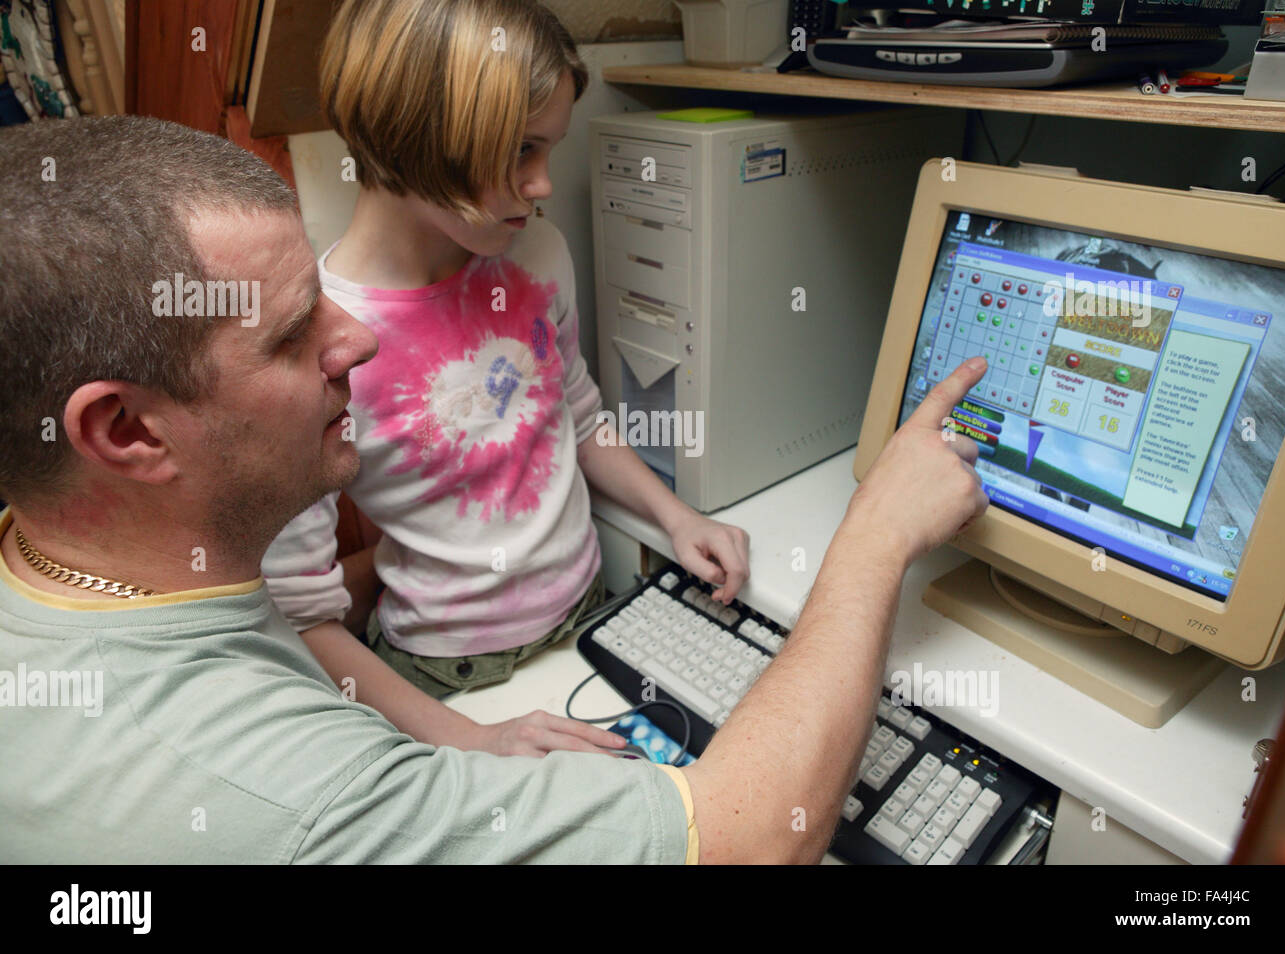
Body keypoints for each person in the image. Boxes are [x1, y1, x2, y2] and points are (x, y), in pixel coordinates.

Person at [0, 114, 988, 863]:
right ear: (123, 431)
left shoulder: (63, 564)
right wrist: (873, 537)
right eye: (297, 333)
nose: (361, 340)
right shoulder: (286, 794)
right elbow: (754, 835)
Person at [261, 0, 752, 734]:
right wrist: (476, 742)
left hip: (588, 619)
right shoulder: (323, 338)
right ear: (420, 138)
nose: (545, 183)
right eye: (522, 150)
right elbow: (300, 616)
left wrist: (677, 519)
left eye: (548, 149)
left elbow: (575, 410)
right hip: (440, 682)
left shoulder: (536, 255)